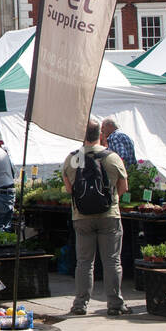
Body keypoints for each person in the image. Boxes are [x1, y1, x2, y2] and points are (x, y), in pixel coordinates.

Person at [63, 117, 130, 316]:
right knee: (112, 261)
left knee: (84, 262)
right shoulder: (111, 157)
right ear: (101, 134)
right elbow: (124, 187)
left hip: (81, 216)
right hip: (109, 214)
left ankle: (80, 304)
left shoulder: (72, 158)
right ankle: (115, 304)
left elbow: (69, 189)